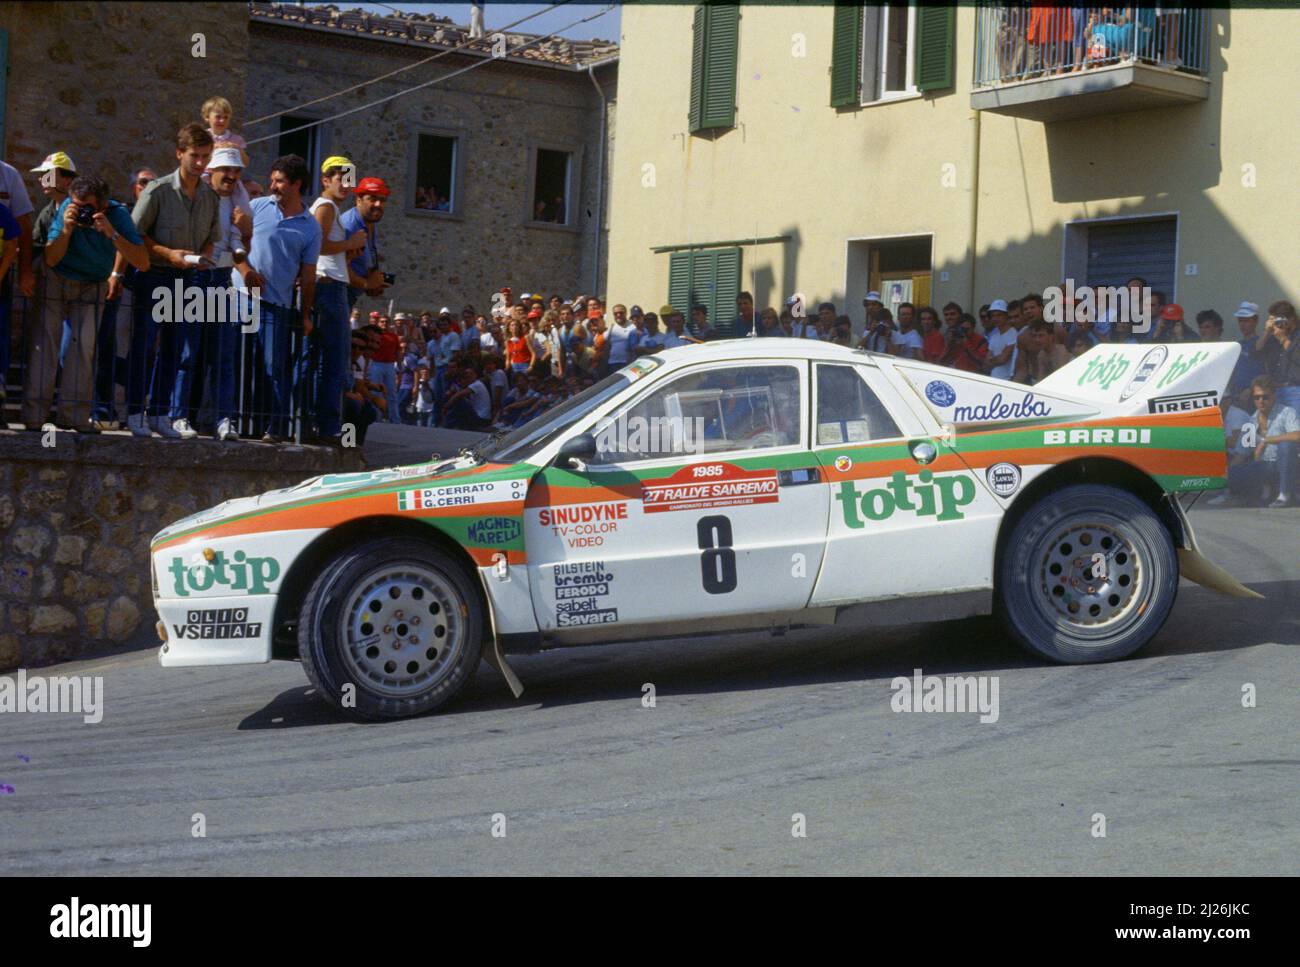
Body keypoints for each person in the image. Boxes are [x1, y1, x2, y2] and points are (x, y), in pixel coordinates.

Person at [24, 175, 147, 432]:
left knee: (84, 347)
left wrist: (112, 234)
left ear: (102, 207)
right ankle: (35, 416)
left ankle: (75, 416)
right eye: (77, 205)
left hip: (93, 284)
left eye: (86, 208)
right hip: (57, 279)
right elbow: (52, 259)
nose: (80, 211)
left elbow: (142, 262)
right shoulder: (67, 209)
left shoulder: (118, 214)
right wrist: (67, 230)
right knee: (45, 344)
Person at [127, 123, 220, 439]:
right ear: (180, 153)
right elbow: (134, 235)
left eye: (206, 157)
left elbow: (212, 238)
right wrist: (168, 254)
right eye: (195, 156)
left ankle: (160, 414)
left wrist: (201, 257)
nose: (200, 163)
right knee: (144, 347)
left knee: (174, 348)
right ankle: (134, 412)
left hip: (187, 277)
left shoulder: (209, 196)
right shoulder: (158, 191)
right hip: (154, 275)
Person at [236, 154, 321, 443]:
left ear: (297, 184)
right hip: (238, 297)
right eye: (272, 180)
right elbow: (235, 242)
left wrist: (306, 314)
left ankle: (276, 426)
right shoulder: (258, 206)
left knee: (274, 368)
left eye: (280, 181)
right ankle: (231, 421)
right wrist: (246, 270)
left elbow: (308, 275)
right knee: (235, 362)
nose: (273, 186)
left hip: (277, 305)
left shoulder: (310, 227)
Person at [309, 156, 369, 444]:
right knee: (334, 361)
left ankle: (327, 424)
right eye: (339, 177)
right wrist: (352, 244)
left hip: (332, 284)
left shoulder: (328, 207)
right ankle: (329, 427)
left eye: (349, 178)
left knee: (331, 360)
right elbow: (318, 246)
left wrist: (347, 253)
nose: (346, 184)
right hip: (329, 287)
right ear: (326, 180)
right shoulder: (326, 207)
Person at [199, 147, 252, 441]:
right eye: (226, 170)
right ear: (213, 172)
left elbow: (242, 247)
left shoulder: (238, 202)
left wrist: (245, 231)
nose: (231, 176)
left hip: (222, 279)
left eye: (236, 171)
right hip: (196, 277)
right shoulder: (201, 198)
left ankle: (222, 418)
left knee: (223, 355)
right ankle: (177, 414)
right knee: (187, 353)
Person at [1215, 376, 1298, 508]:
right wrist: (1227, 478)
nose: (1261, 401)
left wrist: (1265, 440)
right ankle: (1258, 491)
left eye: (1265, 397)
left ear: (1274, 396)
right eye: (1257, 397)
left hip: (1286, 465)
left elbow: (1297, 435)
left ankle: (1285, 494)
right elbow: (1240, 455)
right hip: (1264, 466)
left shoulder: (1287, 412)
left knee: (1287, 445)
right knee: (1228, 474)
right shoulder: (1251, 422)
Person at [339, 177, 390, 309]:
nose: (378, 204)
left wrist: (374, 281)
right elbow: (338, 267)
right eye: (372, 199)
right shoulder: (349, 226)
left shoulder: (370, 222)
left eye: (382, 200)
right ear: (358, 200)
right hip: (338, 295)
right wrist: (367, 283)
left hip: (348, 295)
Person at [1014, 318, 1070, 384]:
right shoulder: (1041, 354)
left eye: (1041, 335)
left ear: (1051, 336)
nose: (1037, 340)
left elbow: (1063, 379)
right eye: (1034, 336)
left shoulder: (1061, 352)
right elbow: (1040, 378)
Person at [441, 364, 492, 430]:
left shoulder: (476, 385)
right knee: (456, 397)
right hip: (478, 416)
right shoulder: (472, 385)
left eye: (471, 374)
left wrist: (445, 407)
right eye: (467, 374)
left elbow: (458, 395)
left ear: (475, 375)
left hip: (481, 418)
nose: (469, 375)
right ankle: (452, 423)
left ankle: (449, 424)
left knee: (458, 400)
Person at [985, 299, 1018, 379]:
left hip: (1006, 380)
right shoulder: (994, 336)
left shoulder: (1013, 333)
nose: (995, 318)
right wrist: (995, 359)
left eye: (999, 315)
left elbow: (1003, 359)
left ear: (1006, 316)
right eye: (993, 316)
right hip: (993, 378)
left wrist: (992, 360)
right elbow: (986, 362)